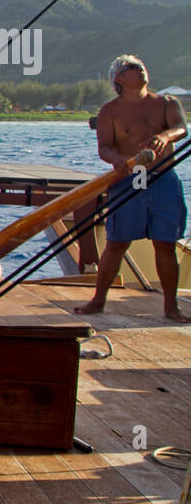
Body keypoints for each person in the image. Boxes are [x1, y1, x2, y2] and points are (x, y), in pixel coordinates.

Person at [74, 54, 189, 322]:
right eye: (131, 68)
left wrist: (164, 136)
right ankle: (98, 300)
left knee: (165, 243)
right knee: (117, 242)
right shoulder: (110, 111)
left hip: (163, 177)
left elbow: (181, 128)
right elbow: (104, 147)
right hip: (130, 178)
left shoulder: (167, 103)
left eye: (141, 66)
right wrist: (117, 160)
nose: (140, 69)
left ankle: (171, 307)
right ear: (119, 79)